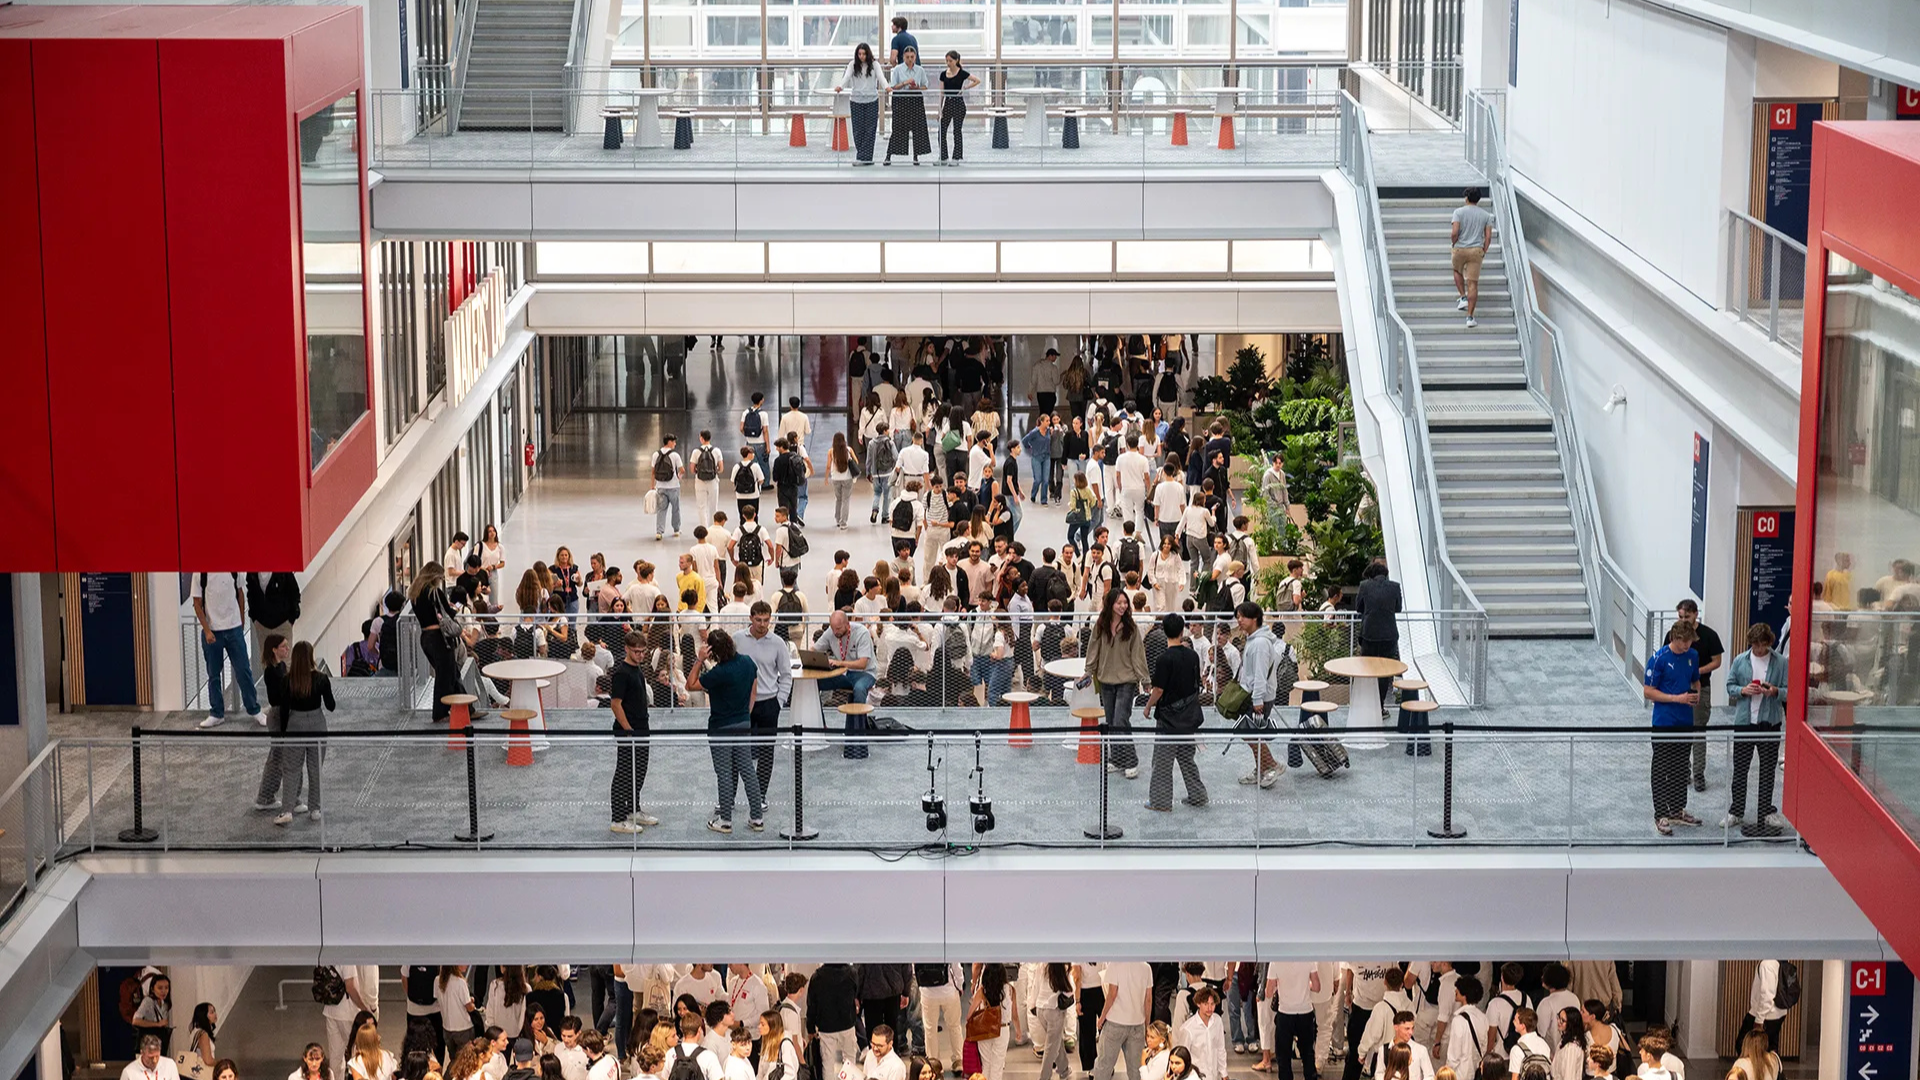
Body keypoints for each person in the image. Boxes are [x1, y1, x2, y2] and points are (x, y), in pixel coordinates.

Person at [688, 628, 764, 833]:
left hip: (721, 726)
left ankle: (725, 820)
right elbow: (754, 691)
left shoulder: (719, 673)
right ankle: (757, 817)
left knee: (724, 773)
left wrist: (698, 660)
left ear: (713, 651)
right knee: (748, 770)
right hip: (742, 723)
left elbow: (690, 685)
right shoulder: (748, 662)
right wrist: (745, 716)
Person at [1643, 622, 1701, 835]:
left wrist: (1696, 695)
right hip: (1664, 723)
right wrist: (1677, 698)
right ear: (1674, 638)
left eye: (1690, 642)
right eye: (1684, 641)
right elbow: (1648, 692)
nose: (1687, 645)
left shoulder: (1692, 655)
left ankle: (1677, 809)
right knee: (1661, 769)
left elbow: (1696, 681)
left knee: (1680, 766)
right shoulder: (1659, 659)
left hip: (1685, 722)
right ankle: (1660, 814)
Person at [1144, 613, 1207, 811]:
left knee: (1163, 760)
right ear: (1182, 631)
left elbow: (1159, 689)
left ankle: (1161, 802)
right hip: (1189, 716)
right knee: (1186, 756)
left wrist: (1148, 706)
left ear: (1164, 631)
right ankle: (1198, 794)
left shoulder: (1164, 659)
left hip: (1169, 719)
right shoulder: (1192, 655)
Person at [191, 571, 266, 728]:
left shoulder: (233, 569)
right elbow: (197, 603)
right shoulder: (200, 573)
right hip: (212, 630)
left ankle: (254, 709)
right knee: (213, 674)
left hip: (233, 628)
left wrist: (241, 622)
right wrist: (206, 630)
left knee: (243, 670)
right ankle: (216, 713)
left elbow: (240, 594)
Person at [1086, 587, 1147, 778]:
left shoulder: (1131, 627)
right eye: (1119, 603)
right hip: (1106, 680)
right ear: (1110, 604)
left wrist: (1144, 679)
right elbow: (1093, 648)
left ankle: (1131, 760)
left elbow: (1137, 654)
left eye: (1125, 603)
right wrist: (1089, 671)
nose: (1123, 606)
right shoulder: (1101, 625)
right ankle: (1116, 758)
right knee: (1111, 721)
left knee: (1121, 720)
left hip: (1126, 681)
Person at [274, 640, 335, 826]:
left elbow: (284, 710)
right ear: (310, 657)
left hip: (295, 724)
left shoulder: (287, 680)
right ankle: (315, 809)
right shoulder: (321, 679)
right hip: (317, 723)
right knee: (315, 768)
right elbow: (331, 706)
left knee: (291, 769)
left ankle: (287, 810)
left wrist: (283, 733)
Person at [736, 602, 793, 798]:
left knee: (767, 752)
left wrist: (779, 701)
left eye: (766, 620)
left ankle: (760, 797)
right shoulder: (737, 640)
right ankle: (730, 798)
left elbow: (786, 675)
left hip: (770, 703)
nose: (762, 624)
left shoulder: (778, 643)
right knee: (737, 751)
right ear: (750, 618)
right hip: (742, 704)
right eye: (758, 620)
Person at [1671, 599, 1725, 793]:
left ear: (1695, 614)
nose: (1683, 620)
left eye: (1686, 616)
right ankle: (1683, 770)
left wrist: (1697, 672)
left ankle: (1698, 773)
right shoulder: (1674, 634)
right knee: (1680, 730)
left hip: (1702, 686)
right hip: (1678, 689)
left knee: (1698, 730)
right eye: (1680, 617)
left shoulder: (1709, 635)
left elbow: (1717, 661)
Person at [608, 631, 657, 834]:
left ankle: (632, 809)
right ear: (627, 649)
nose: (640, 655)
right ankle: (618, 818)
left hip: (641, 728)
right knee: (624, 773)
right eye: (636, 652)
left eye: (643, 652)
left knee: (639, 771)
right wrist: (628, 729)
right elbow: (615, 704)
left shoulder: (637, 669)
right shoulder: (622, 673)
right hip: (629, 731)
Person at [1093, 962, 1152, 1080]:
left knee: (1104, 1066)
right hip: (1137, 1023)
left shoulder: (1115, 965)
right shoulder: (1146, 967)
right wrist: (1147, 1025)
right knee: (1136, 1070)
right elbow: (1148, 999)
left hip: (1115, 1022)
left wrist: (1102, 1017)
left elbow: (1112, 994)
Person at [1355, 561, 1402, 701]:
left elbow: (1358, 607)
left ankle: (1366, 705)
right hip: (1389, 635)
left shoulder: (1365, 586)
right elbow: (1398, 608)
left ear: (1371, 575)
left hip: (1369, 635)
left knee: (1367, 669)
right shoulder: (1395, 587)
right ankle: (1380, 706)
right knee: (1385, 672)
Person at [1449, 188, 1495, 328]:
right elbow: (1488, 237)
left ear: (1466, 198)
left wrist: (1454, 242)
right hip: (1476, 250)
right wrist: (1483, 250)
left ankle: (1463, 297)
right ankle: (1470, 317)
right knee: (1473, 284)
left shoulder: (1458, 212)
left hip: (1460, 248)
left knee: (1457, 271)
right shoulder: (1486, 215)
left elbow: (1454, 232)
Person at [884, 46, 931, 165]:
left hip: (915, 100)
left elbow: (925, 86)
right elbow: (893, 86)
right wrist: (905, 83)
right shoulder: (898, 69)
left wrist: (917, 87)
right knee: (898, 128)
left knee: (917, 128)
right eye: (907, 57)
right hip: (901, 100)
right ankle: (888, 155)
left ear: (915, 57)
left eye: (912, 57)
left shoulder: (920, 70)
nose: (910, 59)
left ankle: (916, 156)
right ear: (903, 57)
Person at [968, 969, 1014, 1080]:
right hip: (1003, 1029)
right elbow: (1015, 1013)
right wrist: (1018, 1030)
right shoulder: (1010, 989)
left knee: (986, 1064)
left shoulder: (982, 991)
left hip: (985, 1029)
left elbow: (969, 1015)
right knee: (997, 1066)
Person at [934, 52, 979, 164]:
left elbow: (977, 80)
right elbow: (941, 93)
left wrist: (965, 87)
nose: (948, 63)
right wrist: (939, 110)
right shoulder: (943, 74)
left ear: (956, 60)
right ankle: (943, 157)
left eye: (950, 61)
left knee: (957, 131)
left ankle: (956, 157)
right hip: (948, 103)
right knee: (942, 130)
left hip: (958, 104)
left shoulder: (961, 73)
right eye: (947, 61)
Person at [1736, 962, 1788, 1055]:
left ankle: (1755, 1069)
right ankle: (1773, 1069)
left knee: (1743, 1046)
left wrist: (1759, 1020)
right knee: (1770, 1050)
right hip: (1779, 1013)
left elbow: (1767, 996)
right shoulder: (1780, 961)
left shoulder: (1766, 964)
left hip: (1765, 1016)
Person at [1177, 986, 1228, 1080]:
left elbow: (1220, 1048)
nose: (1209, 1008)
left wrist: (1224, 1073)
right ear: (1198, 1004)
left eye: (1212, 1004)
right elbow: (1182, 1057)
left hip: (1213, 1076)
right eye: (1206, 1004)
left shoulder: (1217, 1021)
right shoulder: (1187, 1029)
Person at [652, 434, 687, 541]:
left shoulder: (655, 454)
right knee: (675, 509)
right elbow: (682, 470)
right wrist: (679, 477)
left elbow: (653, 472)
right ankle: (676, 530)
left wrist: (652, 486)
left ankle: (659, 532)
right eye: (674, 442)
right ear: (670, 442)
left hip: (660, 487)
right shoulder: (675, 455)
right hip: (673, 486)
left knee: (661, 509)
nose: (675, 444)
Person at [742, 393, 774, 477]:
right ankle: (765, 484)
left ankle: (754, 481)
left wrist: (748, 435)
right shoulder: (763, 414)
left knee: (751, 465)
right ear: (761, 401)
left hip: (749, 443)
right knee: (764, 465)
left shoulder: (746, 412)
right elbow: (765, 431)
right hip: (761, 443)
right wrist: (768, 446)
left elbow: (741, 428)